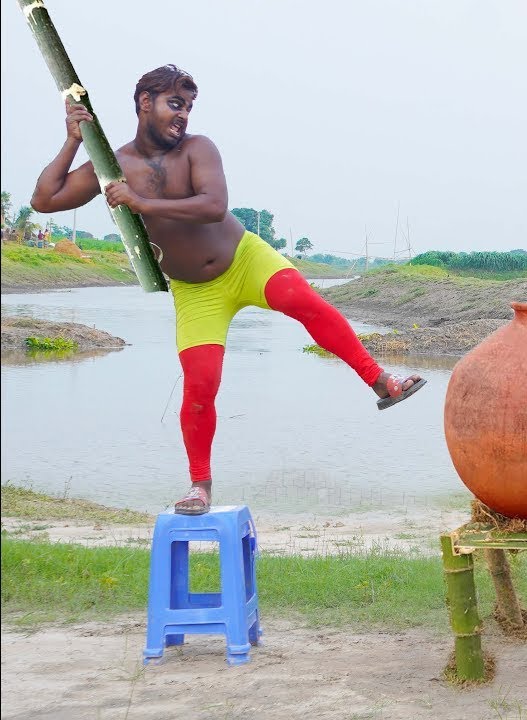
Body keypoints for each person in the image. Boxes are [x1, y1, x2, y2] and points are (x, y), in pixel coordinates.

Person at [30, 65, 424, 516]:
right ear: (144, 103)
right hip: (195, 290)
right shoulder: (114, 166)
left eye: (188, 107)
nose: (183, 115)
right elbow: (44, 200)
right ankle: (200, 486)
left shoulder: (198, 148)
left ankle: (382, 382)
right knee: (200, 385)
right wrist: (73, 141)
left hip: (243, 259)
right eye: (175, 104)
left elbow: (214, 206)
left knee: (304, 301)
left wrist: (141, 202)